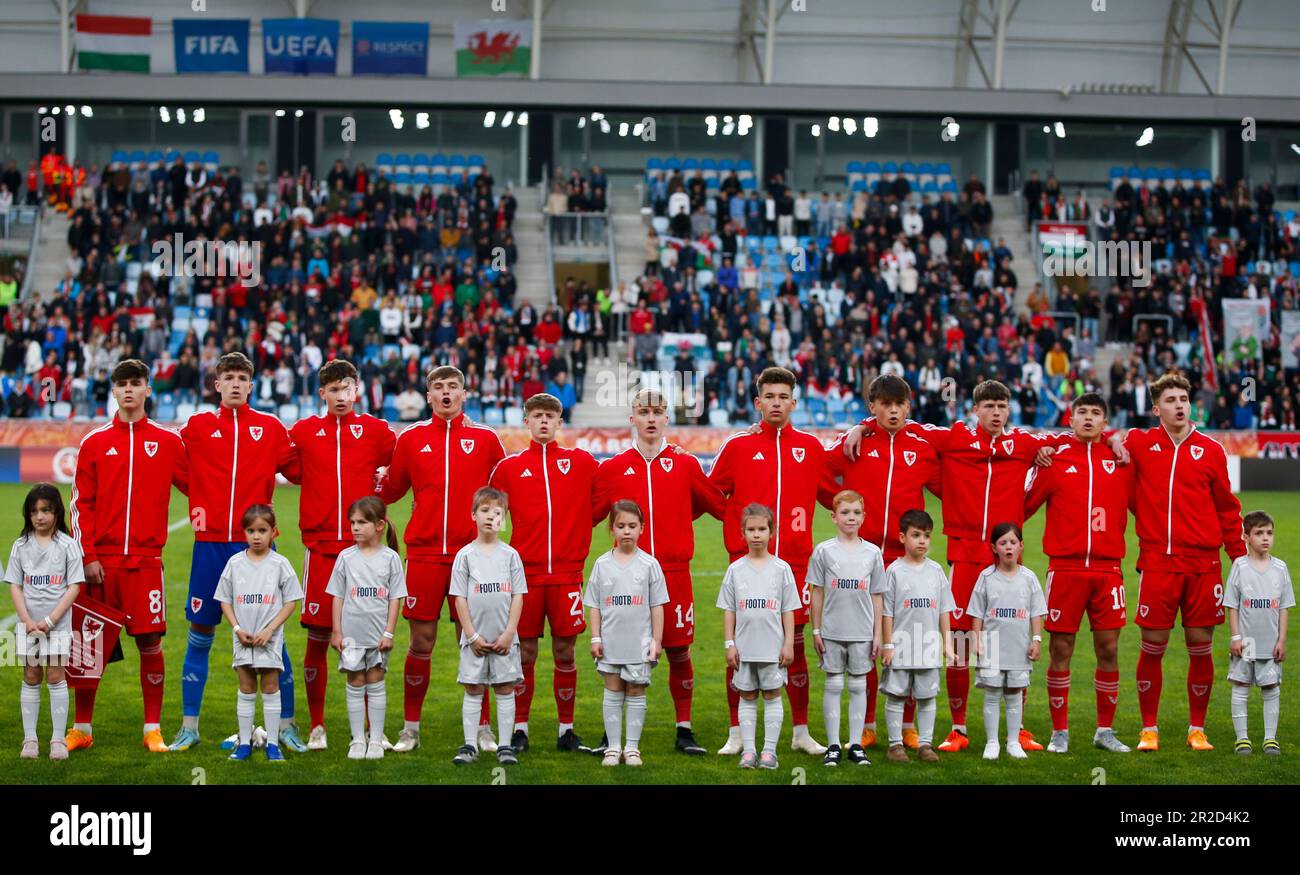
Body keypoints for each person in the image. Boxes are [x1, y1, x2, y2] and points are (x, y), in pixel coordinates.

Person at [843, 379, 1068, 753]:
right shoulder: (952, 438)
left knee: (1011, 640)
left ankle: (1019, 727)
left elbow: (1068, 439)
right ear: (975, 410)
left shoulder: (1024, 444)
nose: (996, 413)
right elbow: (899, 423)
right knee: (962, 642)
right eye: (989, 407)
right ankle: (959, 728)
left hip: (1007, 554)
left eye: (1002, 406)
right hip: (965, 554)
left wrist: (1103, 439)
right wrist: (860, 426)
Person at [171, 352, 302, 753]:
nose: (234, 384)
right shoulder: (196, 426)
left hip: (256, 548)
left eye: (242, 378)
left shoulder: (270, 427)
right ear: (217, 384)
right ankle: (189, 726)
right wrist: (200, 502)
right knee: (201, 634)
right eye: (227, 377)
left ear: (251, 385)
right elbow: (174, 467)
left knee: (272, 639)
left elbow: (299, 470)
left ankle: (286, 726)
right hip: (210, 544)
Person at [589, 388, 723, 756]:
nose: (651, 418)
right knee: (616, 654)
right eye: (644, 411)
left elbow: (717, 504)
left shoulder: (686, 464)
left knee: (679, 652)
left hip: (674, 572)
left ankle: (684, 729)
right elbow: (588, 515)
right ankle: (611, 736)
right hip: (623, 576)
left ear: (667, 419)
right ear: (632, 418)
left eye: (658, 412)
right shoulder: (612, 468)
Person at [379, 365, 505, 754]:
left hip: (474, 557)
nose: (446, 393)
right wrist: (369, 479)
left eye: (453, 387)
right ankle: (410, 728)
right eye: (439, 387)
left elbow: (504, 491)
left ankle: (483, 728)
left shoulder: (485, 439)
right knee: (421, 640)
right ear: (428, 395)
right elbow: (393, 488)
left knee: (474, 641)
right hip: (425, 554)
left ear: (465, 394)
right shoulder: (412, 438)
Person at [709, 366, 832, 756]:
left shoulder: (811, 448)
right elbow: (711, 494)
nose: (776, 403)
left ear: (794, 403)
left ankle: (800, 731)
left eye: (784, 397)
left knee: (792, 647)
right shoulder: (737, 447)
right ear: (758, 402)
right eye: (770, 397)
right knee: (740, 649)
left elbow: (835, 494)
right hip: (746, 566)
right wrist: (735, 532)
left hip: (795, 566)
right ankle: (735, 733)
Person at [68, 359, 189, 753]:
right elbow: (79, 505)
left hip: (145, 563)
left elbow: (199, 487)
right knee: (89, 649)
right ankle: (82, 728)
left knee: (150, 644)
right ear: (115, 392)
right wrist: (87, 556)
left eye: (136, 383)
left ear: (148, 389)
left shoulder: (169, 442)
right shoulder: (94, 442)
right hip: (100, 564)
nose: (129, 391)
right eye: (123, 385)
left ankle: (151, 729)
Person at [1124, 373, 1245, 752]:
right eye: (1171, 400)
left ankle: (1197, 728)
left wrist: (1238, 560)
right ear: (1156, 408)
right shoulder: (1140, 443)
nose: (1179, 405)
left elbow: (1228, 509)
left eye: (1184, 399)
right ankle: (1149, 729)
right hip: (1158, 562)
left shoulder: (1210, 449)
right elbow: (1114, 446)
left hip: (1203, 565)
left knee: (1200, 646)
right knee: (1152, 646)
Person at [822, 374, 940, 749]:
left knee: (907, 643)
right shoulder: (856, 442)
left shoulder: (922, 445)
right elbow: (819, 472)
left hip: (906, 558)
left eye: (899, 404)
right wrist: (843, 511)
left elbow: (950, 478)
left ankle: (907, 724)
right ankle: (869, 722)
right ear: (872, 407)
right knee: (870, 645)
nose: (893, 411)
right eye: (885, 404)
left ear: (908, 406)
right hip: (865, 557)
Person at [284, 359, 396, 751]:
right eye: (332, 389)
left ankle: (370, 727)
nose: (340, 395)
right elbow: (289, 469)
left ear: (357, 390)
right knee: (318, 639)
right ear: (322, 394)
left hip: (365, 553)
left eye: (346, 387)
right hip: (322, 551)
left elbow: (401, 464)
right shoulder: (303, 432)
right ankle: (317, 725)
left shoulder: (378, 432)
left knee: (369, 642)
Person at [1023, 392, 1134, 754]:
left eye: (1096, 413)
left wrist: (1117, 442)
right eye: (1081, 412)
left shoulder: (1121, 460)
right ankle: (1060, 732)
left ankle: (1105, 731)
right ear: (1070, 420)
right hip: (1065, 569)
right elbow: (1023, 507)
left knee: (1109, 648)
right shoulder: (1054, 459)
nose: (1088, 418)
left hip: (1108, 570)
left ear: (1106, 422)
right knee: (1060, 648)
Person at [489, 392, 599, 753]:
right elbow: (487, 513)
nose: (543, 423)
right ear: (527, 421)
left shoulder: (582, 462)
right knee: (526, 653)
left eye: (550, 417)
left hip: (567, 575)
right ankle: (520, 729)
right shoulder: (508, 468)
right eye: (537, 416)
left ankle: (566, 730)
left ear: (560, 423)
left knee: (566, 652)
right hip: (526, 577)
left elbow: (609, 492)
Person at [213, 505, 302, 762]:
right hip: (243, 638)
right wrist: (237, 628)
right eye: (251, 530)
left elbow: (290, 602)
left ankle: (273, 744)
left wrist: (270, 629)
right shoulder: (234, 563)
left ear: (274, 532)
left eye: (262, 530)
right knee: (246, 687)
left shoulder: (280, 564)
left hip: (270, 639)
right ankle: (244, 744)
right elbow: (225, 600)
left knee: (271, 687)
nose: (256, 536)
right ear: (244, 533)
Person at [586, 500, 669, 767]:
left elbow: (657, 605)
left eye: (632, 526)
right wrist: (596, 637)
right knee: (612, 689)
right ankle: (613, 748)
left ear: (642, 529)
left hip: (639, 643)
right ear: (612, 529)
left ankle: (632, 748)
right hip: (610, 642)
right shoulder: (601, 564)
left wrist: (656, 640)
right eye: (621, 526)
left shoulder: (649, 564)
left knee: (635, 690)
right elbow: (595, 605)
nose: (626, 531)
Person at [717, 504, 800, 769]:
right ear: (742, 533)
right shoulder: (735, 569)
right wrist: (729, 643)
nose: (756, 535)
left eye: (761, 529)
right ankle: (749, 752)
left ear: (771, 532)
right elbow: (729, 610)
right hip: (744, 647)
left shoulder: (782, 569)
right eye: (751, 529)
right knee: (747, 696)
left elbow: (788, 609)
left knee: (773, 694)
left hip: (772, 647)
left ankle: (769, 753)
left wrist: (788, 643)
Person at [449, 486, 526, 766]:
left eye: (497, 512)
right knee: (473, 689)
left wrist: (508, 634)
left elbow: (518, 596)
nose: (490, 517)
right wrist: (471, 636)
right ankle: (470, 745)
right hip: (475, 640)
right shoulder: (465, 556)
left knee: (505, 687)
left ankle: (505, 746)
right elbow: (459, 598)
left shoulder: (511, 556)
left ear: (504, 517)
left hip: (505, 639)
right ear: (473, 515)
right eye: (484, 511)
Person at [808, 489, 886, 767]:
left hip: (862, 632)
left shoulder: (873, 553)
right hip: (831, 631)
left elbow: (878, 595)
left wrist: (877, 634)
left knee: (857, 686)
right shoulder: (824, 551)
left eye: (856, 513)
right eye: (845, 513)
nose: (850, 518)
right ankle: (832, 746)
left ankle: (855, 745)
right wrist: (816, 630)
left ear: (864, 516)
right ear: (833, 517)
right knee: (833, 685)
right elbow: (816, 592)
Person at [326, 497, 406, 761]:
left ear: (380, 525)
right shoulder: (345, 557)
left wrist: (389, 632)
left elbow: (396, 598)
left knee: (375, 682)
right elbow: (337, 595)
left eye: (362, 522)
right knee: (355, 681)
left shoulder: (391, 558)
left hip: (378, 637)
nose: (355, 527)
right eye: (352, 523)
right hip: (351, 636)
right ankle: (357, 740)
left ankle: (375, 740)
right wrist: (337, 631)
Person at [7, 484, 82, 760]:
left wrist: (50, 620)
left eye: (46, 510)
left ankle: (58, 741)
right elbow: (15, 585)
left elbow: (74, 586)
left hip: (57, 625)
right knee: (31, 674)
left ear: (56, 512)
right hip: (29, 625)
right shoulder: (21, 545)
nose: (40, 517)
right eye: (35, 511)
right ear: (28, 514)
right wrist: (27, 620)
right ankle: (30, 740)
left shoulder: (67, 545)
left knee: (55, 675)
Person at [878, 509, 952, 764]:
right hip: (900, 646)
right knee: (896, 695)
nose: (922, 541)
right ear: (902, 537)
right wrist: (887, 645)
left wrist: (948, 644)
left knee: (927, 696)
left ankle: (925, 744)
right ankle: (895, 745)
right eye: (916, 535)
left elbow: (944, 610)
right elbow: (887, 613)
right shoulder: (894, 571)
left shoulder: (936, 571)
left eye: (927, 536)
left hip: (928, 646)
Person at [969, 522, 1047, 760]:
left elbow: (1036, 612)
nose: (1009, 547)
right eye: (1003, 543)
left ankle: (1013, 742)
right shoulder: (986, 577)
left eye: (1013, 542)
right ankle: (992, 742)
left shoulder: (1029, 578)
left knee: (1014, 693)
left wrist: (1036, 639)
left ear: (1021, 545)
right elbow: (976, 613)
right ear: (994, 548)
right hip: (992, 647)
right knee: (992, 693)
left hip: (1019, 648)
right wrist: (977, 640)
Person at [1224, 511, 1293, 756]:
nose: (1265, 538)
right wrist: (1236, 637)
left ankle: (1270, 739)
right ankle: (1242, 739)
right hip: (1247, 642)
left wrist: (1282, 640)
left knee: (1271, 689)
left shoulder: (1280, 568)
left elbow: (1284, 607)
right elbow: (1231, 605)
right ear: (1245, 537)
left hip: (1270, 641)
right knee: (1241, 686)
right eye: (1259, 533)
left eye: (1269, 533)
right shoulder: (1239, 566)